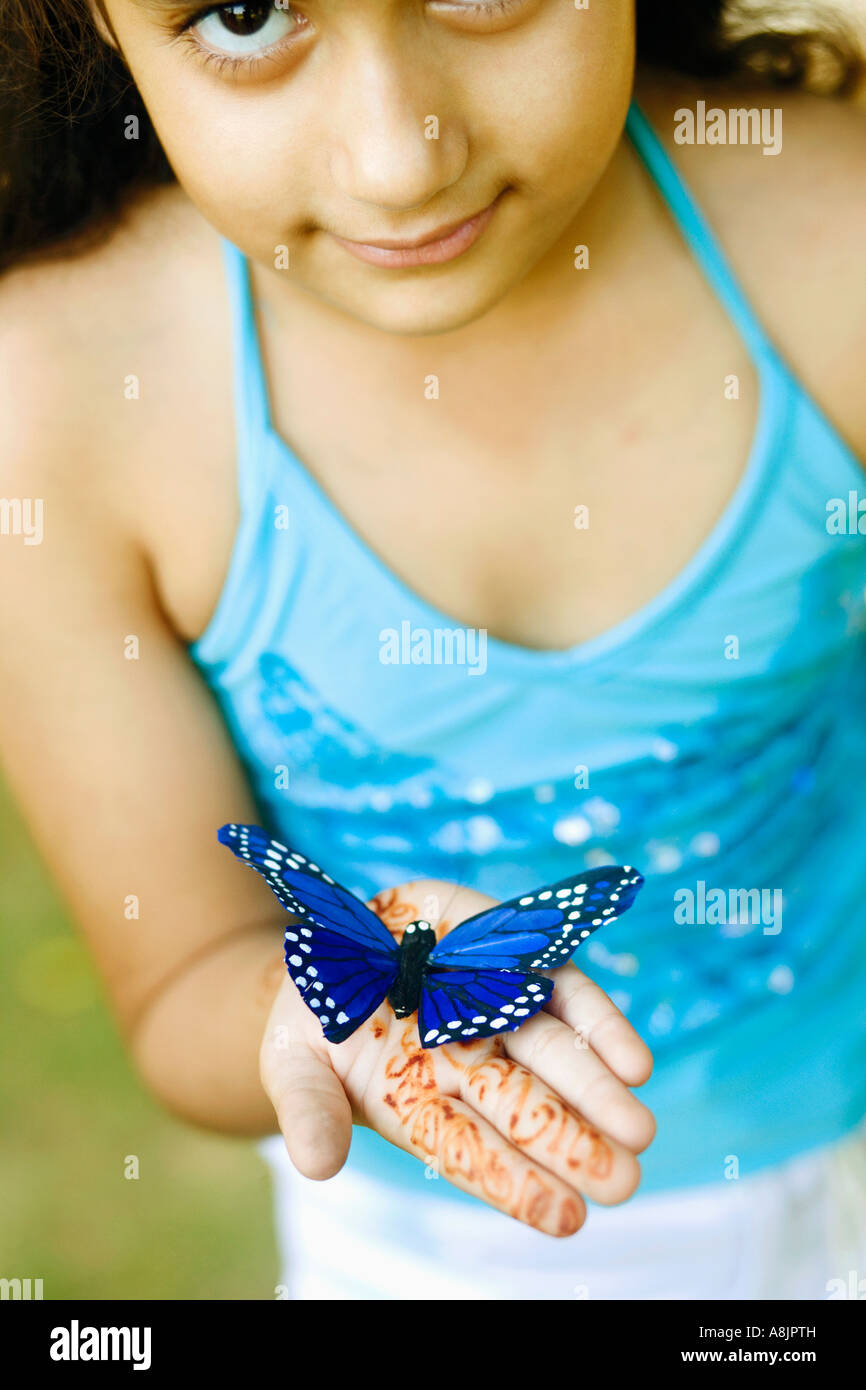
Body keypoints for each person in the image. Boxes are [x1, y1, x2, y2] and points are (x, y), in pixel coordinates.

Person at [1, 0, 865, 1300]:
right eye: (245, 12)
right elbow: (183, 970)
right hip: (435, 1253)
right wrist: (312, 1008)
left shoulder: (830, 236)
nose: (399, 158)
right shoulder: (60, 404)